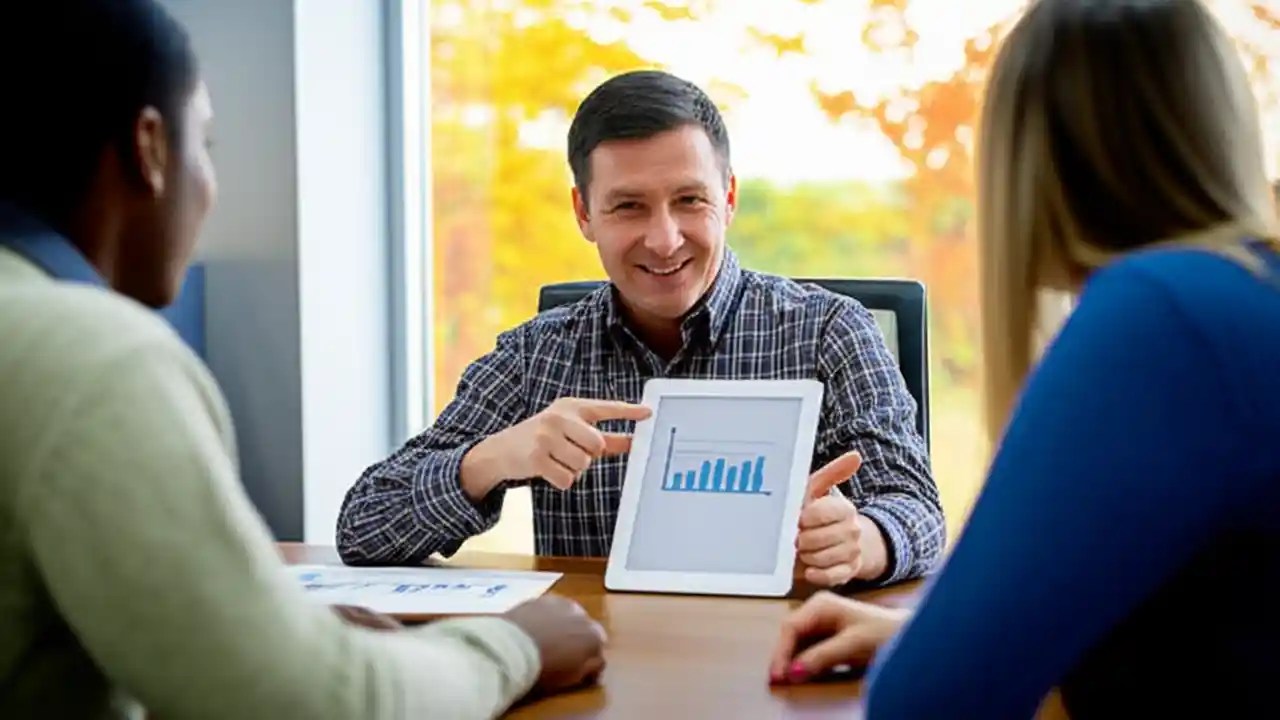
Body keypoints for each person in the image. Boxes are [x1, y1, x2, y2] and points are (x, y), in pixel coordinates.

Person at [0, 2, 605, 718]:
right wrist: (512, 647)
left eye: (687, 200)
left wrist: (272, 637)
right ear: (151, 147)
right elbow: (319, 701)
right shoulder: (94, 358)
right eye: (209, 144)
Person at [768, 0, 1280, 716]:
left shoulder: (1159, 317)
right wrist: (921, 632)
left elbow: (928, 703)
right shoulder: (1246, 293)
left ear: (1029, 156)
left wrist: (936, 650)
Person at [337, 69, 944, 589]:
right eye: (629, 206)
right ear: (584, 214)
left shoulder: (829, 331)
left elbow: (918, 510)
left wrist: (863, 540)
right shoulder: (535, 355)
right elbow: (362, 525)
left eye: (689, 200)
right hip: (595, 667)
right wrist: (489, 459)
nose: (664, 239)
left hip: (773, 665)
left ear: (728, 198)